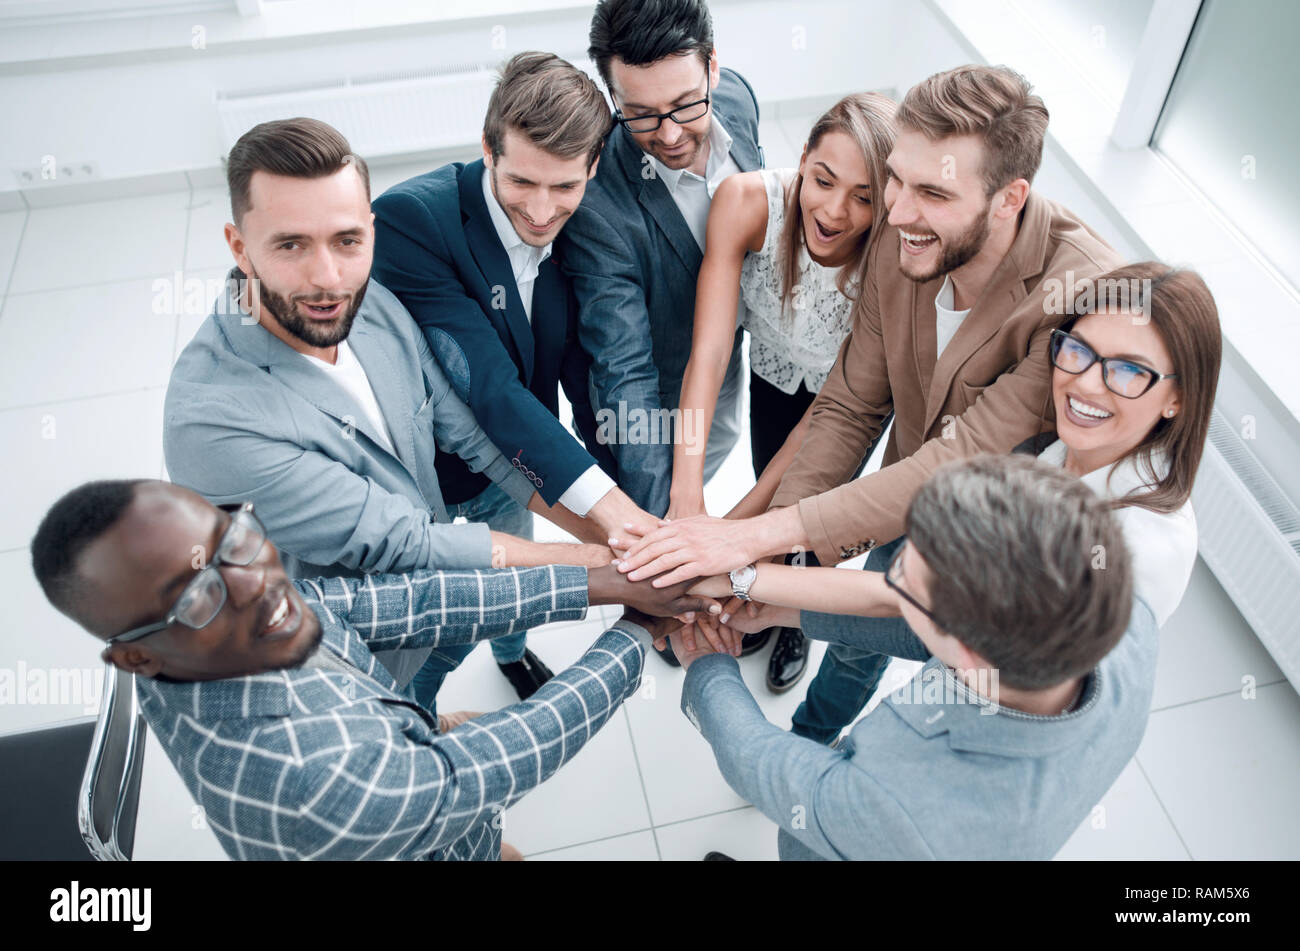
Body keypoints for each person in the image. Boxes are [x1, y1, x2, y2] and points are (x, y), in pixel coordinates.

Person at [614, 64, 1124, 689]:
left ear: (1009, 200)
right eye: (897, 182)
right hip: (894, 481)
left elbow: (960, 458)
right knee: (841, 606)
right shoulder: (903, 229)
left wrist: (747, 549)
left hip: (994, 541)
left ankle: (815, 736)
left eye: (932, 194)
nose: (898, 213)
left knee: (870, 648)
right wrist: (757, 554)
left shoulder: (1080, 297)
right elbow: (851, 406)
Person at [164, 118, 621, 721]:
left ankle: (506, 657)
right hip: (358, 664)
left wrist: (616, 536)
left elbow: (475, 439)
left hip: (458, 569)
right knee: (413, 716)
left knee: (477, 635)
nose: (327, 278)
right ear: (239, 245)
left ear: (369, 233)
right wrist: (607, 569)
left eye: (346, 240)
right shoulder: (212, 422)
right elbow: (407, 543)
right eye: (291, 244)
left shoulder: (369, 299)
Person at [29, 479, 709, 861]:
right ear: (137, 658)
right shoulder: (318, 786)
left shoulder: (214, 632)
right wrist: (637, 632)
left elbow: (412, 602)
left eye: (231, 535)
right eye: (199, 593)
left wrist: (607, 586)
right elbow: (498, 760)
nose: (258, 583)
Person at [770, 261, 1222, 743]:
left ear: (1179, 398)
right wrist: (761, 593)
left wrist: (764, 596)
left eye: (1129, 370)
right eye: (1079, 350)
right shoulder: (1048, 446)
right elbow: (928, 608)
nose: (1087, 384)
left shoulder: (1140, 551)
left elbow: (950, 637)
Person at [663, 454, 1156, 860]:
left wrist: (709, 667)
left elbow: (759, 761)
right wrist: (786, 613)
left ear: (966, 652)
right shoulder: (1129, 621)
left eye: (900, 584)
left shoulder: (903, 808)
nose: (885, 584)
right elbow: (923, 634)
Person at [371, 52, 657, 703]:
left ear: (591, 168)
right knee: (442, 629)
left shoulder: (580, 224)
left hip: (519, 470)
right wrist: (619, 522)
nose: (540, 209)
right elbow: (489, 386)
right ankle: (413, 715)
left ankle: (512, 650)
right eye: (522, 181)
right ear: (488, 149)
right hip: (430, 482)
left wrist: (636, 506)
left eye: (564, 187)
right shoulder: (410, 222)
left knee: (513, 600)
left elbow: (587, 377)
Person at [667, 91, 897, 689]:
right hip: (771, 374)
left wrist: (727, 536)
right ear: (802, 159)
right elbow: (710, 354)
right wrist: (687, 500)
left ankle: (795, 617)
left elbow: (824, 421)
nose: (836, 212)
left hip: (844, 408)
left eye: (865, 197)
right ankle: (756, 588)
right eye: (823, 180)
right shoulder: (745, 203)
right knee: (763, 467)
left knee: (810, 523)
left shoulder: (890, 265)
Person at [560, 0, 763, 525]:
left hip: (730, 356)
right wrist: (665, 531)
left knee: (722, 439)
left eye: (685, 105)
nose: (669, 135)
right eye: (642, 113)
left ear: (713, 68)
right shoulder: (598, 203)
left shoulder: (738, 96)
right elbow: (624, 371)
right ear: (613, 95)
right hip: (657, 392)